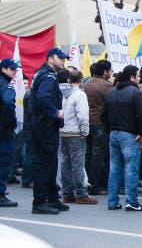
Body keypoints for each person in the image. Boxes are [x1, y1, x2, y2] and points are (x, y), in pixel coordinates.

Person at [101, 64, 142, 212]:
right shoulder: (135, 92)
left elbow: (103, 115)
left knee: (114, 169)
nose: (140, 78)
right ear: (132, 77)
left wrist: (110, 129)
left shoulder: (112, 92)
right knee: (131, 169)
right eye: (138, 75)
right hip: (130, 135)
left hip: (114, 134)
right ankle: (131, 201)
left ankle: (112, 201)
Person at [30, 48, 68, 215]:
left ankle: (52, 198)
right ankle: (40, 201)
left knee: (51, 162)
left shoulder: (42, 74)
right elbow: (43, 97)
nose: (63, 61)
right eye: (60, 58)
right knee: (45, 163)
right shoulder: (48, 76)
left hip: (43, 124)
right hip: (45, 124)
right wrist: (55, 112)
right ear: (50, 58)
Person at [59, 69, 95, 205]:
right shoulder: (80, 95)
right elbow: (82, 115)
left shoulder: (63, 94)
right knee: (78, 164)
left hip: (63, 131)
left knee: (66, 164)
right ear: (81, 80)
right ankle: (81, 193)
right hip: (75, 132)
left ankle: (67, 193)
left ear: (68, 80)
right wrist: (85, 131)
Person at [85, 59, 112, 195]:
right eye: (110, 71)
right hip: (100, 124)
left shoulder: (87, 83)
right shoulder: (105, 86)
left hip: (89, 122)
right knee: (99, 156)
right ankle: (95, 184)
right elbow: (112, 102)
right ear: (105, 72)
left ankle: (88, 182)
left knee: (90, 154)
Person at [0, 58, 20, 207]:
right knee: (4, 161)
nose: (15, 71)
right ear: (4, 69)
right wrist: (10, 124)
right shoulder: (5, 86)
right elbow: (7, 103)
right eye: (12, 69)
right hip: (4, 130)